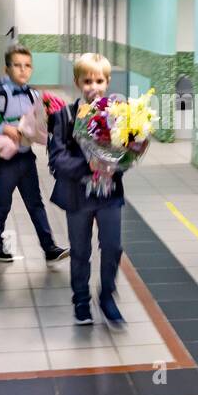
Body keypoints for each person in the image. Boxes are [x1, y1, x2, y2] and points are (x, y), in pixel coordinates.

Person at [47, 53, 126, 327]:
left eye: (99, 80)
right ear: (77, 81)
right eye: (87, 80)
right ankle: (81, 299)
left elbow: (125, 155)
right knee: (80, 251)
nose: (94, 86)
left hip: (109, 196)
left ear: (107, 82)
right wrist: (89, 164)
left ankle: (107, 296)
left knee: (113, 246)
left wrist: (118, 163)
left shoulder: (118, 117)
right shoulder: (64, 116)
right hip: (78, 197)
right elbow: (57, 160)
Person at [0, 43, 68, 265]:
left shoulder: (35, 94)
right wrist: (5, 128)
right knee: (2, 204)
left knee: (35, 203)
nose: (23, 70)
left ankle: (49, 248)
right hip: (5, 162)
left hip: (27, 158)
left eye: (27, 65)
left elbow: (39, 122)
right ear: (7, 69)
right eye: (17, 65)